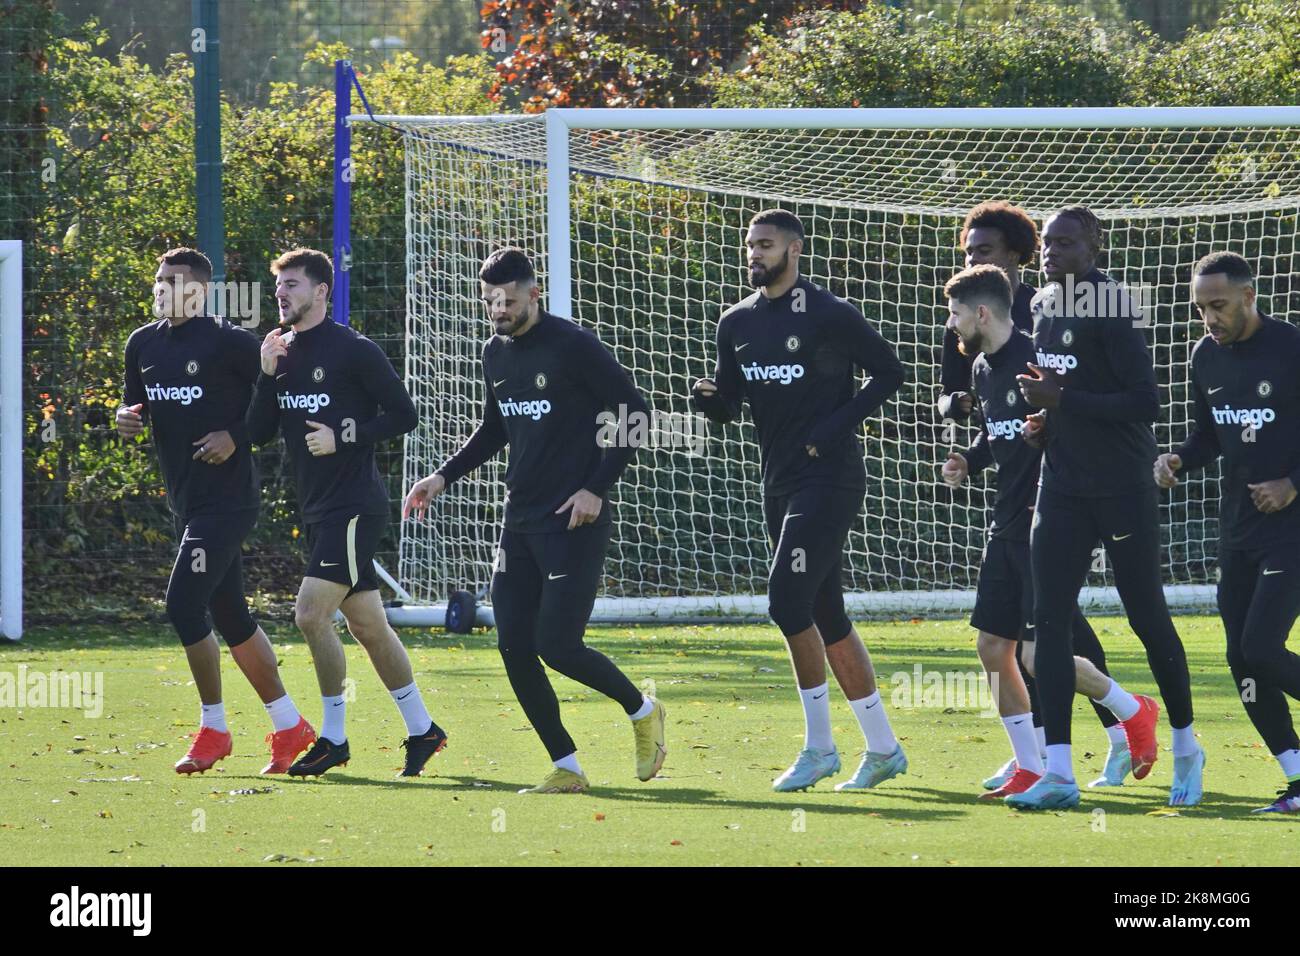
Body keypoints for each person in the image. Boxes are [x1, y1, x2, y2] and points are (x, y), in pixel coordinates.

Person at [403, 248, 666, 794]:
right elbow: (494, 428)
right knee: (513, 645)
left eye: (508, 301)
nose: (498, 311)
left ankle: (642, 710)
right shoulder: (494, 353)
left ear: (533, 293)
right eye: (490, 302)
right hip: (517, 522)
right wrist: (441, 477)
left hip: (573, 519)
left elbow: (636, 413)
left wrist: (596, 488)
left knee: (559, 645)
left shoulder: (573, 345)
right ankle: (566, 767)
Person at [692, 210, 907, 793]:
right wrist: (709, 398)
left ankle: (819, 747)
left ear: (795, 249)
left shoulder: (830, 314)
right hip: (778, 482)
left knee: (787, 602)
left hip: (830, 479)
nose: (754, 254)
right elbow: (730, 402)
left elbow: (890, 372)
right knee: (827, 613)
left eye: (765, 245)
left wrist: (835, 427)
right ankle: (885, 749)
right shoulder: (736, 322)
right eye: (749, 246)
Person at [1009, 207, 1200, 810]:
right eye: (1047, 242)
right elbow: (1059, 393)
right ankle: (1060, 772)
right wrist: (1045, 420)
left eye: (1066, 242)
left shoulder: (1112, 306)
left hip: (1120, 487)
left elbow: (1144, 401)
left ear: (1094, 247)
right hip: (1061, 484)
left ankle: (1187, 746)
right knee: (1050, 623)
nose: (1051, 251)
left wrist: (1062, 397)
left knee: (1147, 617)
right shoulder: (1039, 304)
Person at [247, 248, 446, 778]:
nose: (282, 293)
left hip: (354, 506)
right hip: (318, 510)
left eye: (292, 284)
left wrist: (344, 436)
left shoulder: (355, 350)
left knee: (310, 615)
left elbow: (405, 415)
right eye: (279, 286)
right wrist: (266, 374)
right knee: (368, 626)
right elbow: (258, 434)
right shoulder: (280, 352)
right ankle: (423, 728)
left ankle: (333, 738)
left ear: (321, 292)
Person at [118, 247, 314, 775]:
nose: (160, 288)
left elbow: (276, 401)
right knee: (230, 615)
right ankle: (290, 725)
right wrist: (125, 417)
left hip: (227, 502)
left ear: (199, 291)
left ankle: (215, 728)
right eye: (157, 279)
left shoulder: (231, 343)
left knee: (182, 605)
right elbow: (134, 403)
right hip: (185, 501)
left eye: (172, 282)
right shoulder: (142, 343)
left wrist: (237, 437)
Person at [1156, 251, 1300, 813]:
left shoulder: (1291, 347)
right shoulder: (1203, 356)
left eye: (1218, 305)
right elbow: (1208, 436)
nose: (1208, 319)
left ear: (1248, 297)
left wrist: (1291, 482)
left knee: (1261, 647)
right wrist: (1177, 460)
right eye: (1200, 309)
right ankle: (1295, 773)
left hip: (1293, 526)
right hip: (1238, 529)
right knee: (1241, 659)